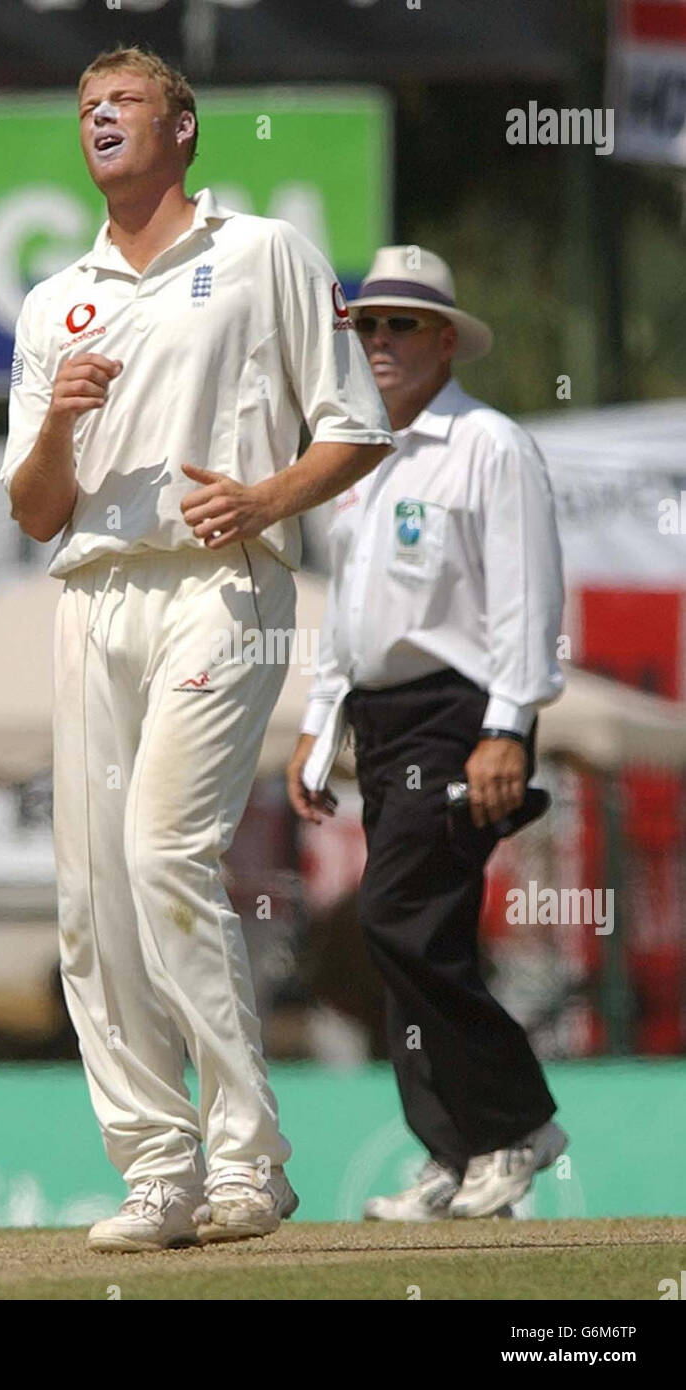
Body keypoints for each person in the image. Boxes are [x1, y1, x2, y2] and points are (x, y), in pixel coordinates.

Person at [0, 45, 393, 1252]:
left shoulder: (263, 251)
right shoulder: (51, 298)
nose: (98, 119)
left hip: (224, 585)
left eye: (122, 103)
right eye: (83, 108)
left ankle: (248, 1159)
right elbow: (32, 508)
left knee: (165, 851)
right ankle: (158, 1169)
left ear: (183, 129)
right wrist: (60, 420)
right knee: (93, 894)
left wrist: (267, 501)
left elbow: (357, 427)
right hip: (93, 597)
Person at [288, 246, 567, 1221]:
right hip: (384, 717)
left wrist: (509, 725)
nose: (381, 339)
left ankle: (517, 1123)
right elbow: (352, 617)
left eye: (402, 323)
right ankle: (453, 1151)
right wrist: (320, 727)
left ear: (447, 339)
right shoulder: (359, 460)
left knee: (392, 919)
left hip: (462, 710)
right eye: (368, 324)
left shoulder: (490, 444)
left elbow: (527, 595)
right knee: (418, 934)